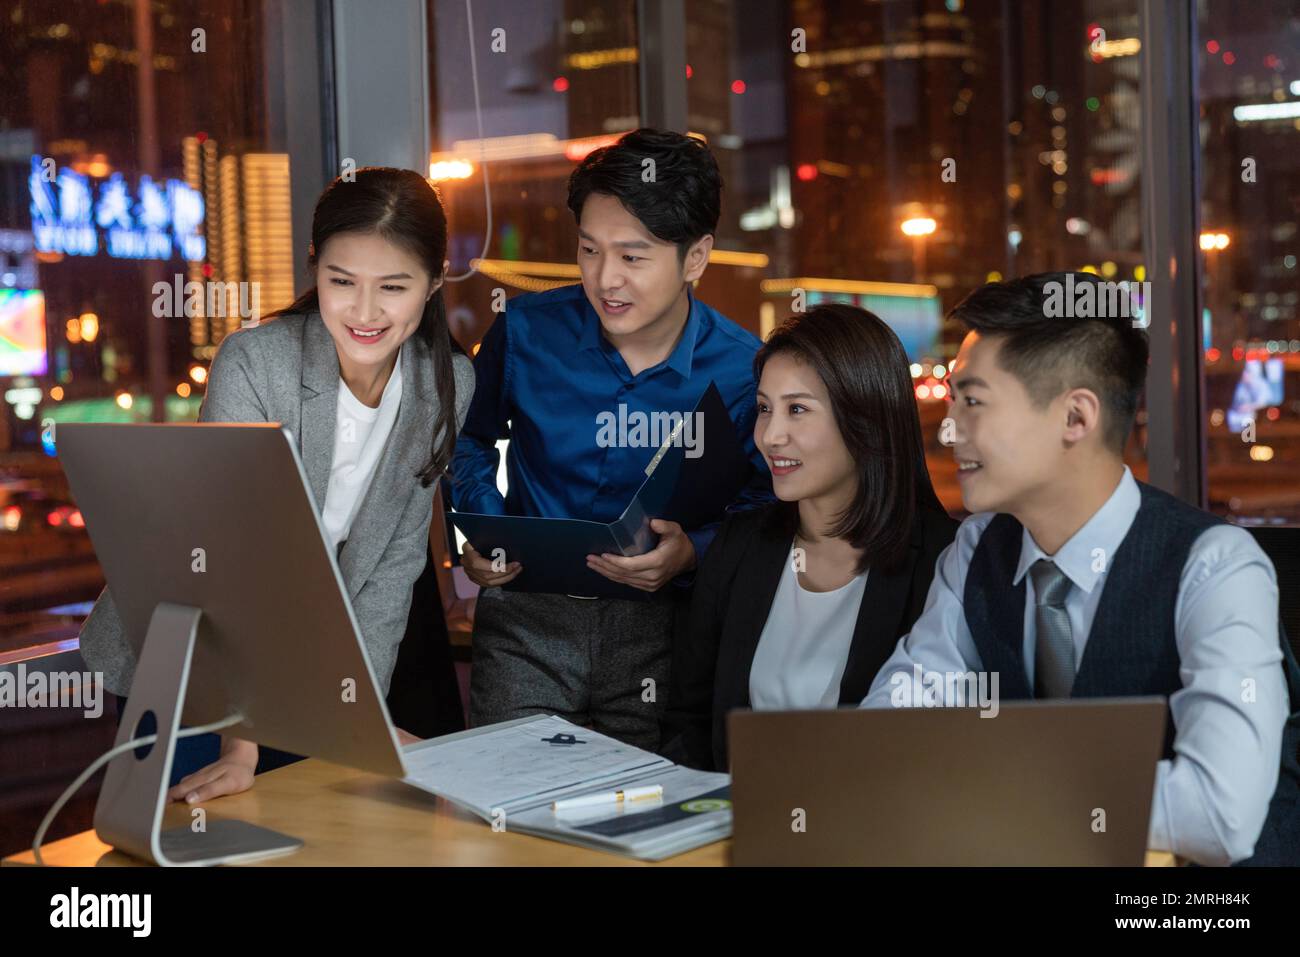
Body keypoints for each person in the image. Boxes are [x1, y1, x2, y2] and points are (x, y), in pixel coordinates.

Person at [862, 272, 1300, 866]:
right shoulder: (978, 548)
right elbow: (891, 726)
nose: (948, 426)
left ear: (1075, 418)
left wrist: (990, 783)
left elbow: (1218, 816)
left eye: (972, 400)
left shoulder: (1215, 566)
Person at [79, 167, 475, 803]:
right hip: (196, 657)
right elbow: (226, 564)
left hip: (307, 670)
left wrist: (355, 719)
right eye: (341, 282)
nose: (365, 312)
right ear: (314, 268)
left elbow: (391, 572)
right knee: (180, 829)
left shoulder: (444, 383)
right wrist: (244, 740)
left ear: (432, 283)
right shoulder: (257, 362)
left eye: (393, 287)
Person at [451, 128, 772, 750]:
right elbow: (466, 440)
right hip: (527, 618)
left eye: (633, 256)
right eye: (590, 250)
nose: (605, 280)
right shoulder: (524, 331)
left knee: (648, 820)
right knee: (508, 815)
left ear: (696, 258)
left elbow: (765, 504)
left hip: (667, 628)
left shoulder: (743, 370)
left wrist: (694, 552)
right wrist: (486, 531)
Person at [660, 304, 957, 771]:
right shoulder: (739, 545)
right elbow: (689, 723)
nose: (770, 435)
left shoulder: (947, 561)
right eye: (763, 409)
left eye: (797, 409)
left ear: (866, 416)